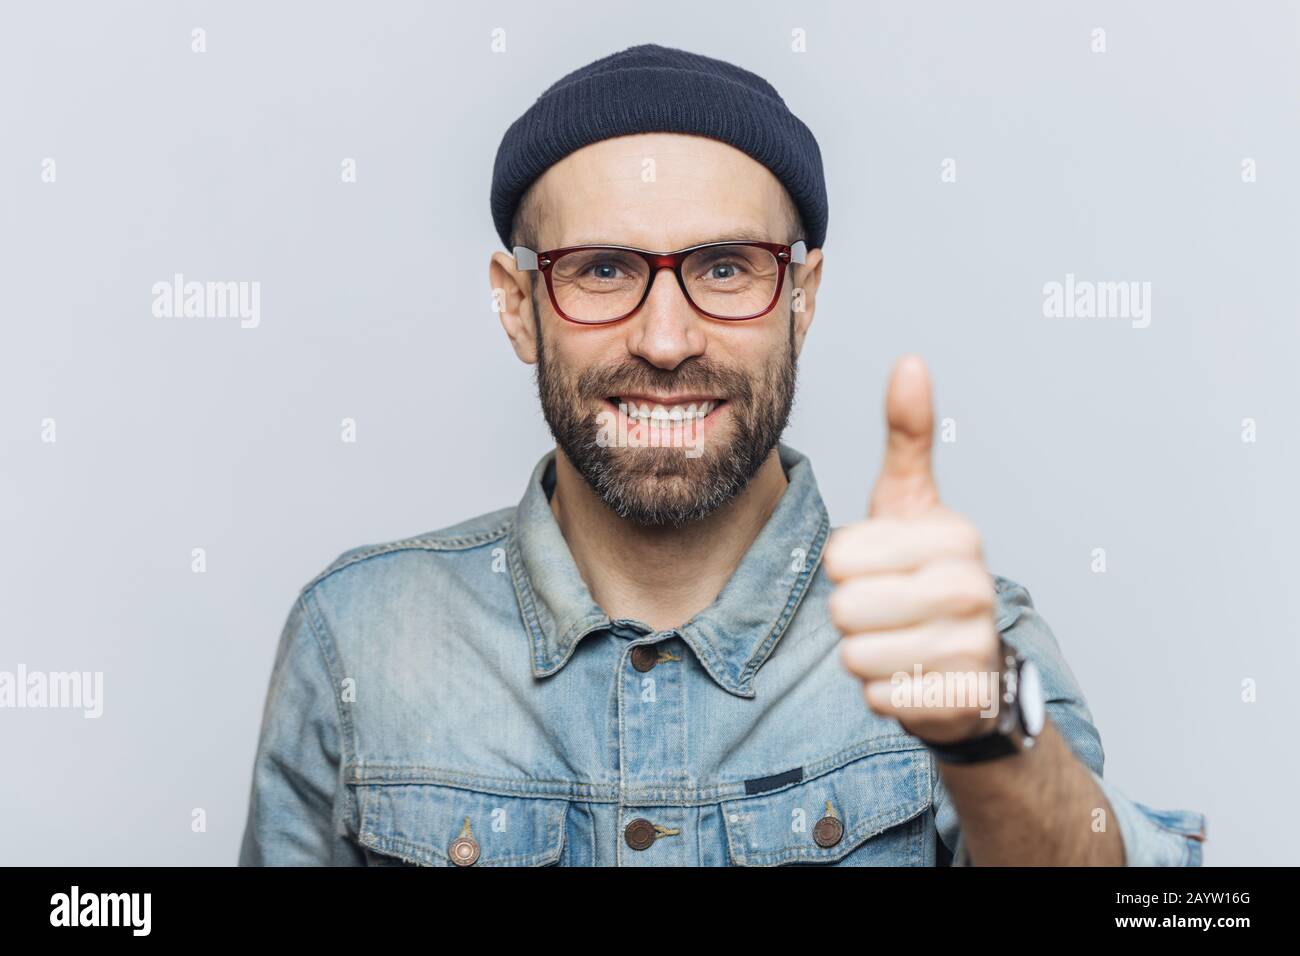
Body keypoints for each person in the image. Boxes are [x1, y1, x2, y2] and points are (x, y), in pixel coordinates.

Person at [239, 43, 1205, 866]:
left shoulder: (958, 640)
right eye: (604, 270)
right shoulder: (357, 637)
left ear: (804, 297)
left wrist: (986, 724)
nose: (666, 341)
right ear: (515, 304)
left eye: (726, 268)